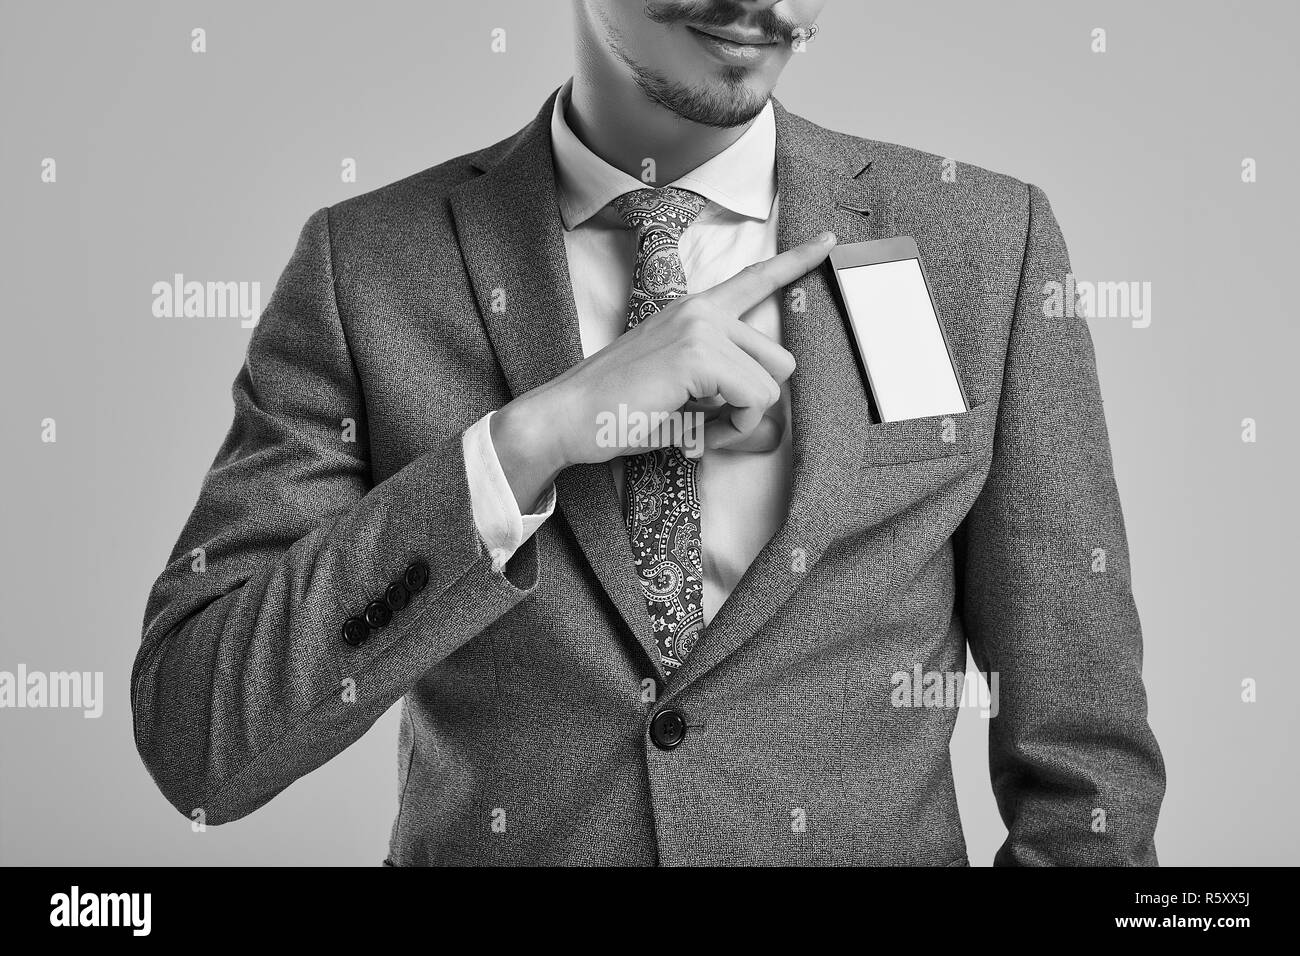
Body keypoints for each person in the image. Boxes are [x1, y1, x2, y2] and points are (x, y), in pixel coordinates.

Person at [133, 0, 1165, 865]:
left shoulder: (980, 243)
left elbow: (1086, 765)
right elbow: (199, 736)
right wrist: (521, 443)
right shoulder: (366, 269)